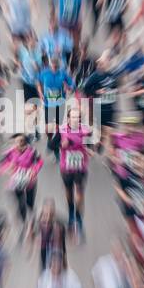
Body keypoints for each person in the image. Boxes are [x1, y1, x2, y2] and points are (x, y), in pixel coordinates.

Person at [58, 97, 91, 237]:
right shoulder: (61, 130)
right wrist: (62, 145)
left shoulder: (85, 130)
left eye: (77, 117)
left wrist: (90, 149)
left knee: (80, 193)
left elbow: (91, 145)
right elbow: (53, 145)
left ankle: (78, 218)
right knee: (68, 191)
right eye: (73, 117)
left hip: (80, 166)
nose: (75, 120)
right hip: (66, 167)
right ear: (68, 118)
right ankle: (71, 211)